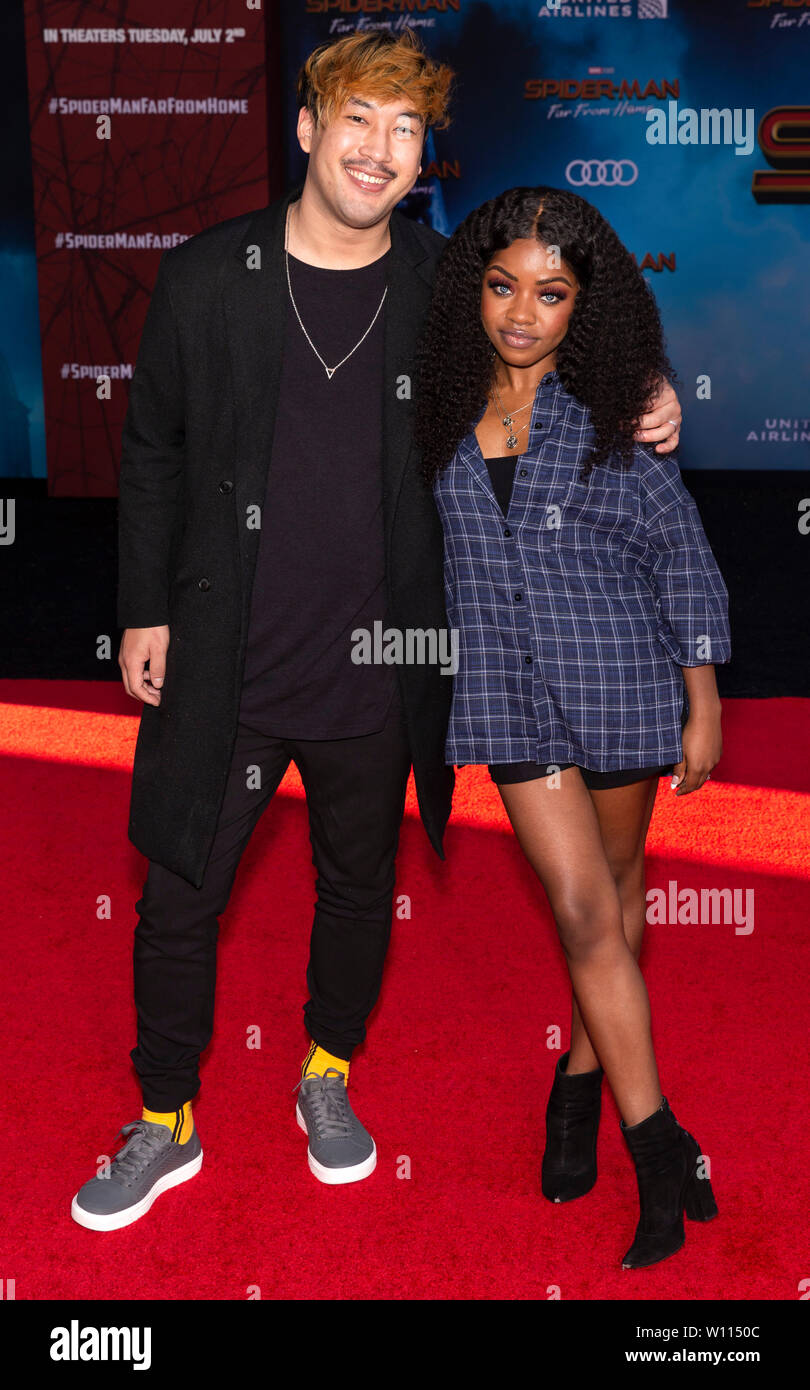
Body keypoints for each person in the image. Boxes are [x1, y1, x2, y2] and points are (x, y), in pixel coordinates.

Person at [71, 33, 684, 1231]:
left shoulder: (441, 287)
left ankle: (327, 1075)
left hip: (385, 659)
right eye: (359, 118)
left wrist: (647, 388)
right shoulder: (206, 276)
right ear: (307, 129)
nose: (379, 148)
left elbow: (542, 353)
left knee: (359, 887)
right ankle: (166, 1120)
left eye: (405, 131)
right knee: (178, 896)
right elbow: (153, 453)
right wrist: (144, 607)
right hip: (226, 651)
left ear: (419, 161)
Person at [415, 185, 730, 1270]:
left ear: (580, 307)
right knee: (586, 906)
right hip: (507, 692)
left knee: (623, 897)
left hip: (621, 681)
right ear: (474, 288)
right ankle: (660, 1153)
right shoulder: (434, 406)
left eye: (549, 294)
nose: (520, 311)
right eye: (503, 286)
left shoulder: (618, 407)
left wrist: (703, 693)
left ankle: (579, 1082)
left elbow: (678, 550)